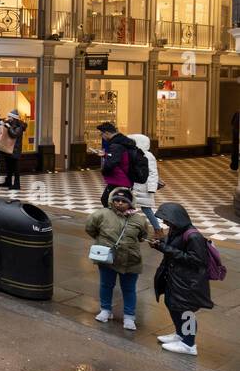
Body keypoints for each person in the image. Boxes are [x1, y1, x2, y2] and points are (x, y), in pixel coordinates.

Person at [151, 202, 214, 356]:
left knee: (186, 311)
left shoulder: (193, 236)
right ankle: (180, 334)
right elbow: (175, 248)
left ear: (176, 218)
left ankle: (189, 344)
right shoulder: (176, 230)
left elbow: (197, 260)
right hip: (176, 278)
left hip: (188, 282)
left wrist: (164, 248)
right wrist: (160, 243)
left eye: (167, 219)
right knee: (172, 304)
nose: (164, 222)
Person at [85, 187, 151, 331]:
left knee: (129, 289)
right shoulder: (101, 214)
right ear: (112, 201)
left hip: (131, 259)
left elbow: (142, 236)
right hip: (107, 258)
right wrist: (102, 241)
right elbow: (90, 228)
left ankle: (129, 316)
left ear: (130, 203)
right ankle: (105, 310)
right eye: (117, 200)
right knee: (106, 285)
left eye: (123, 201)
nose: (120, 203)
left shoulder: (139, 220)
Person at [97, 122, 138, 207]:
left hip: (119, 179)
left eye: (101, 134)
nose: (102, 136)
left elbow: (112, 162)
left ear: (107, 133)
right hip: (125, 178)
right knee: (114, 202)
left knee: (107, 201)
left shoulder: (116, 145)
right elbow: (120, 158)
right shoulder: (122, 142)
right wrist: (105, 155)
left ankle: (114, 216)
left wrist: (104, 171)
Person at [130, 134, 162, 237]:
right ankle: (130, 229)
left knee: (146, 209)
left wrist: (152, 188)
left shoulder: (148, 155)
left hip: (144, 187)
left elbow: (153, 172)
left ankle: (158, 229)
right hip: (133, 185)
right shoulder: (132, 153)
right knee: (128, 207)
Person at [0, 111, 26, 190]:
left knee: (15, 168)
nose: (8, 118)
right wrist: (3, 124)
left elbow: (14, 134)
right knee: (8, 167)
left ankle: (16, 184)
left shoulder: (19, 126)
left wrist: (9, 127)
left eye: (9, 117)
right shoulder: (10, 123)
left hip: (15, 149)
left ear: (14, 118)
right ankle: (8, 182)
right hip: (8, 148)